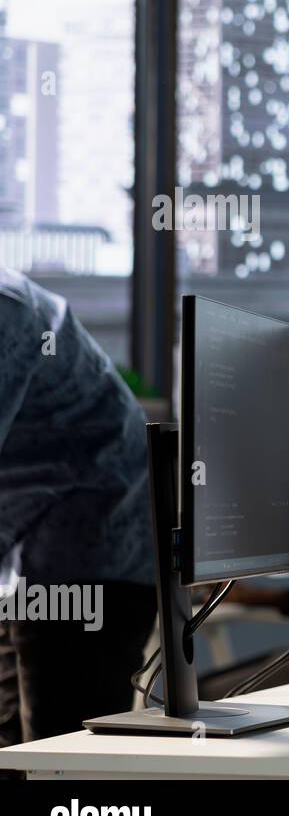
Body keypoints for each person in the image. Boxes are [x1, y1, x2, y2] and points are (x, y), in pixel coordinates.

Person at [0, 270, 157, 750]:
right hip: (27, 557)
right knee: (14, 751)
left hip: (94, 563)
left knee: (58, 759)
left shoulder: (7, 310)